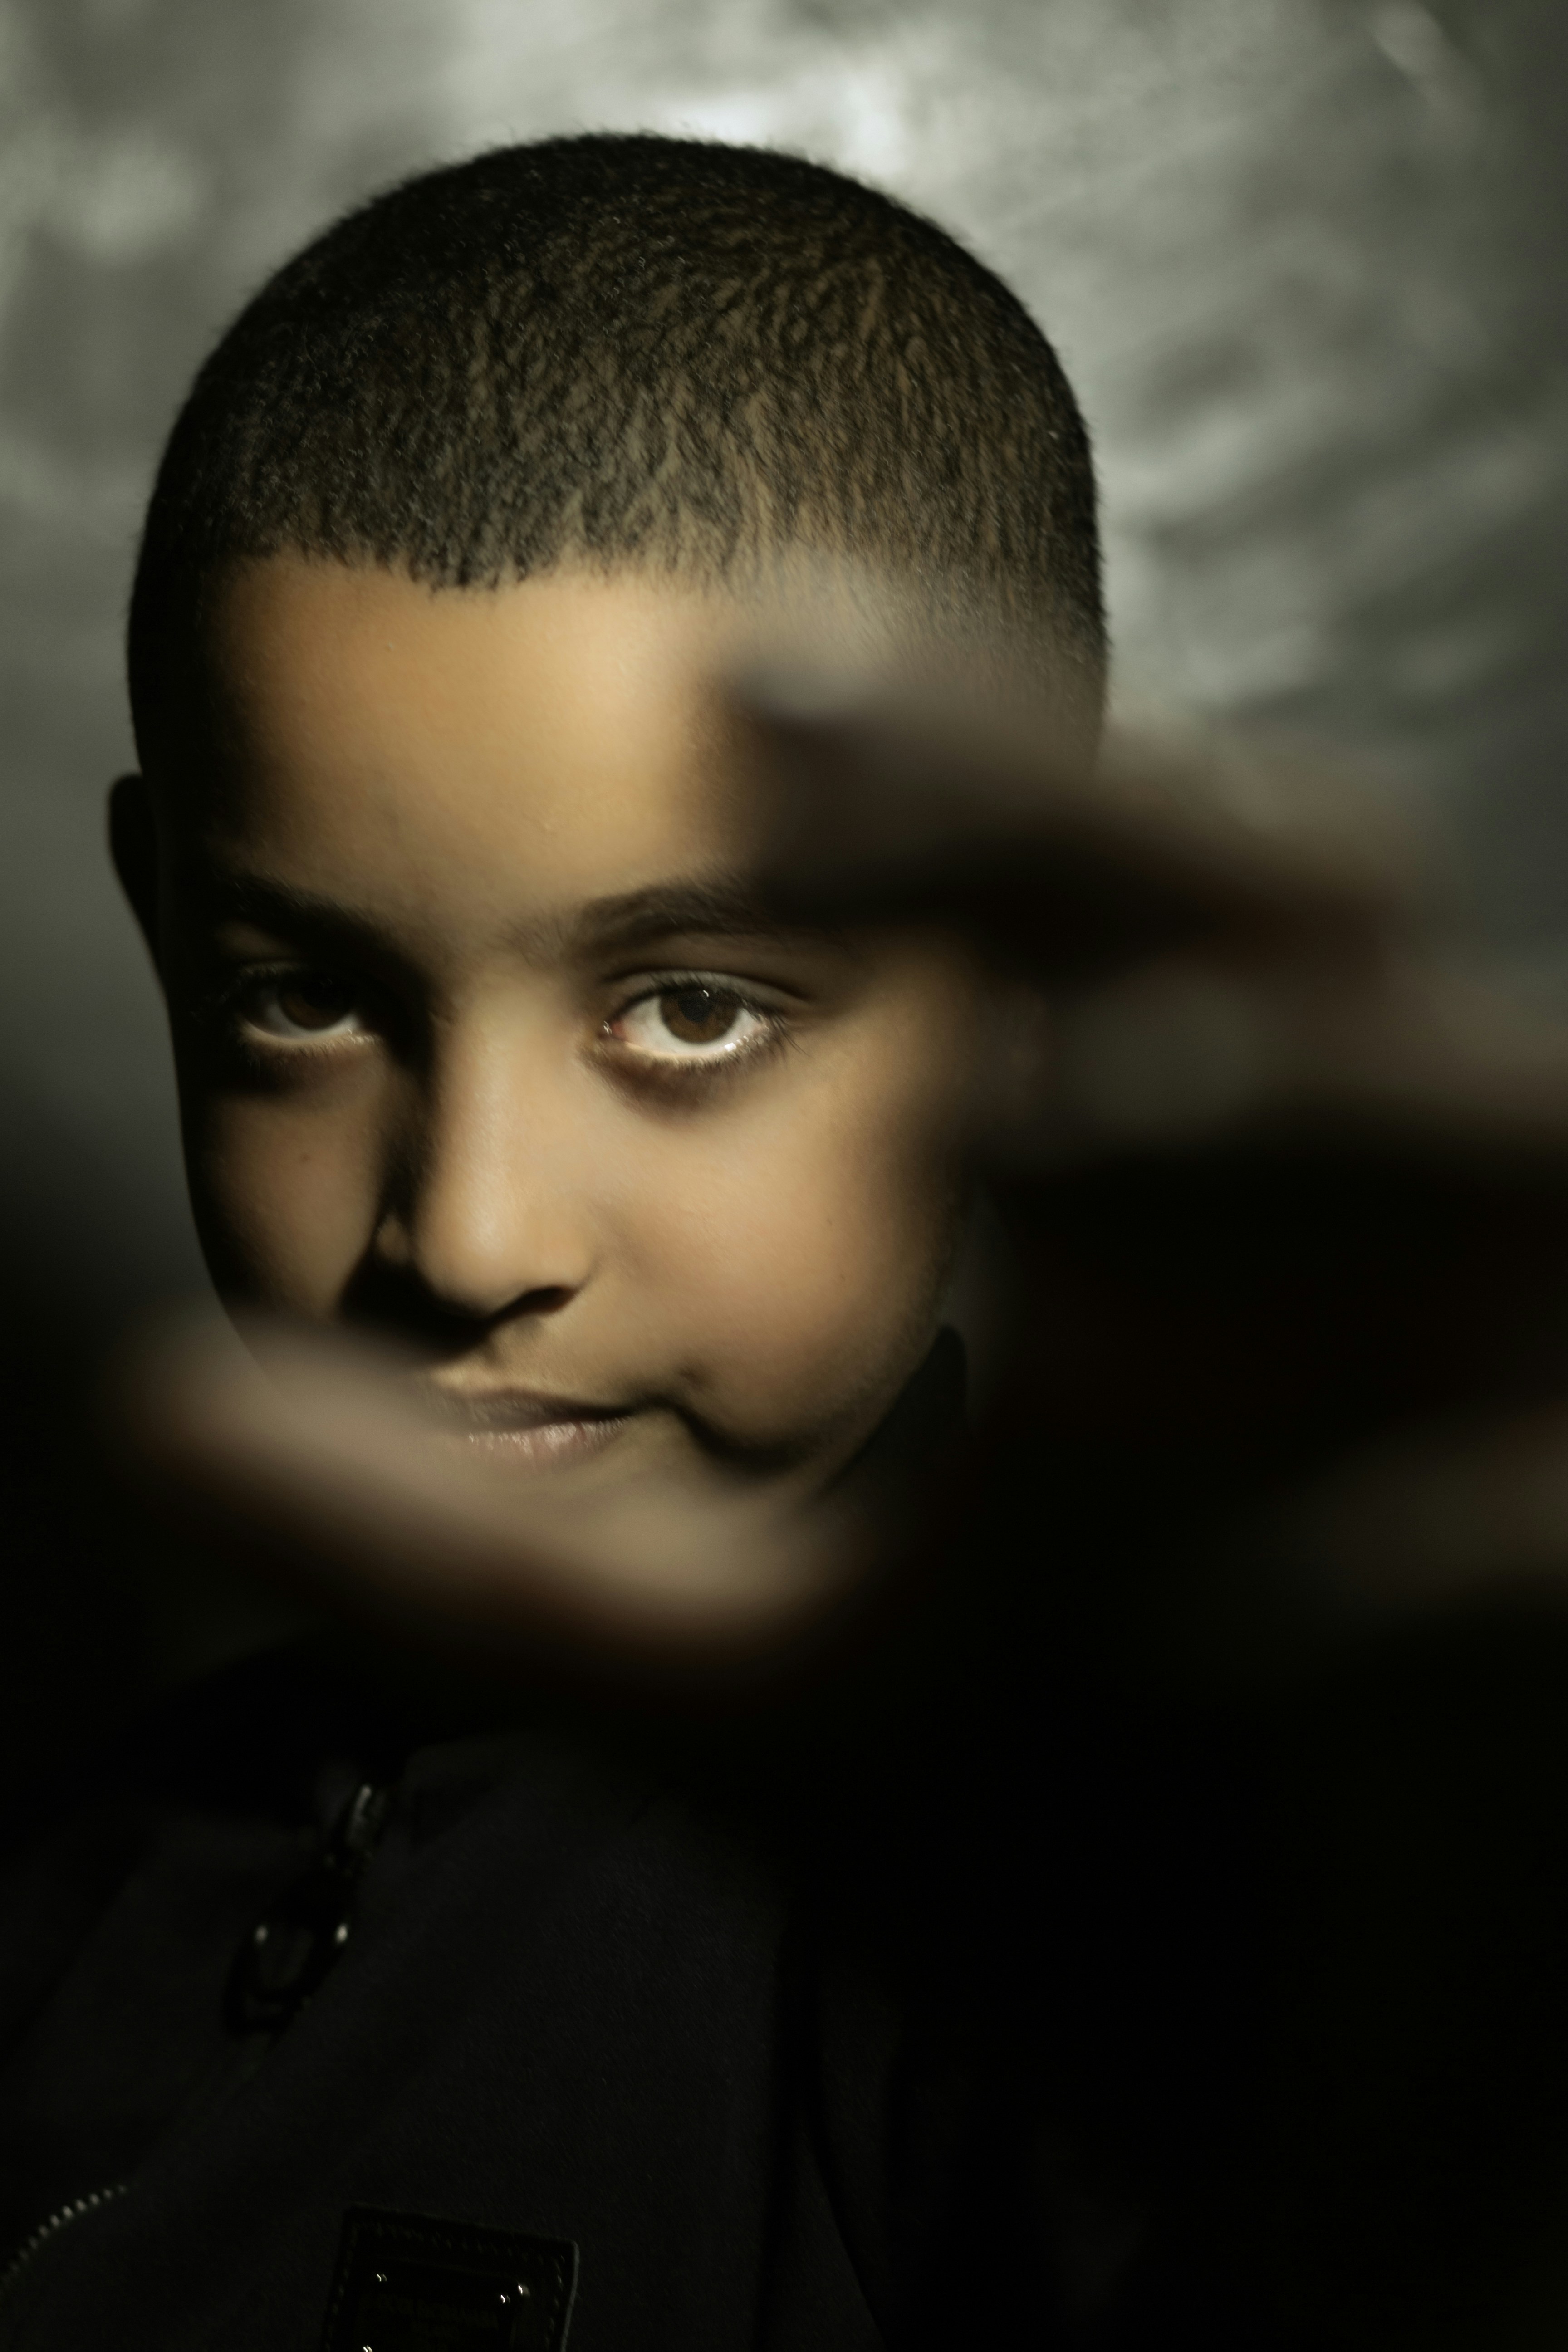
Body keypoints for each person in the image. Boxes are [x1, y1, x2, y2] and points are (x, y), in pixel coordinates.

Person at [5, 132, 1568, 2352]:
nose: (465, 1235)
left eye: (691, 1011)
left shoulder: (1116, 1942)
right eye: (312, 998)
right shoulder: (74, 1870)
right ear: (165, 927)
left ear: (1020, 993)